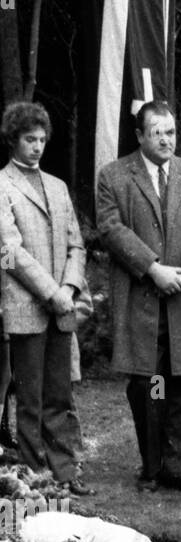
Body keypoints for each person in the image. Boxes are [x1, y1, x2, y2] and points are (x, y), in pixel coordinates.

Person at [97, 100, 181, 495]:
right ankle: (152, 468)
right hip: (143, 298)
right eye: (157, 133)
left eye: (170, 132)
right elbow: (111, 228)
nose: (166, 140)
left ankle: (179, 467)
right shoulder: (115, 176)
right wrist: (153, 268)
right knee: (150, 383)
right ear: (139, 136)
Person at [0, 101, 91, 494]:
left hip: (62, 306)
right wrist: (52, 293)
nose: (36, 147)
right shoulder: (2, 185)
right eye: (28, 139)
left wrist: (69, 288)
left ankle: (66, 474)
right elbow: (10, 252)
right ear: (12, 140)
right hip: (27, 308)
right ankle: (35, 478)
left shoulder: (57, 186)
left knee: (60, 393)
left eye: (41, 139)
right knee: (31, 398)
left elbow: (77, 245)